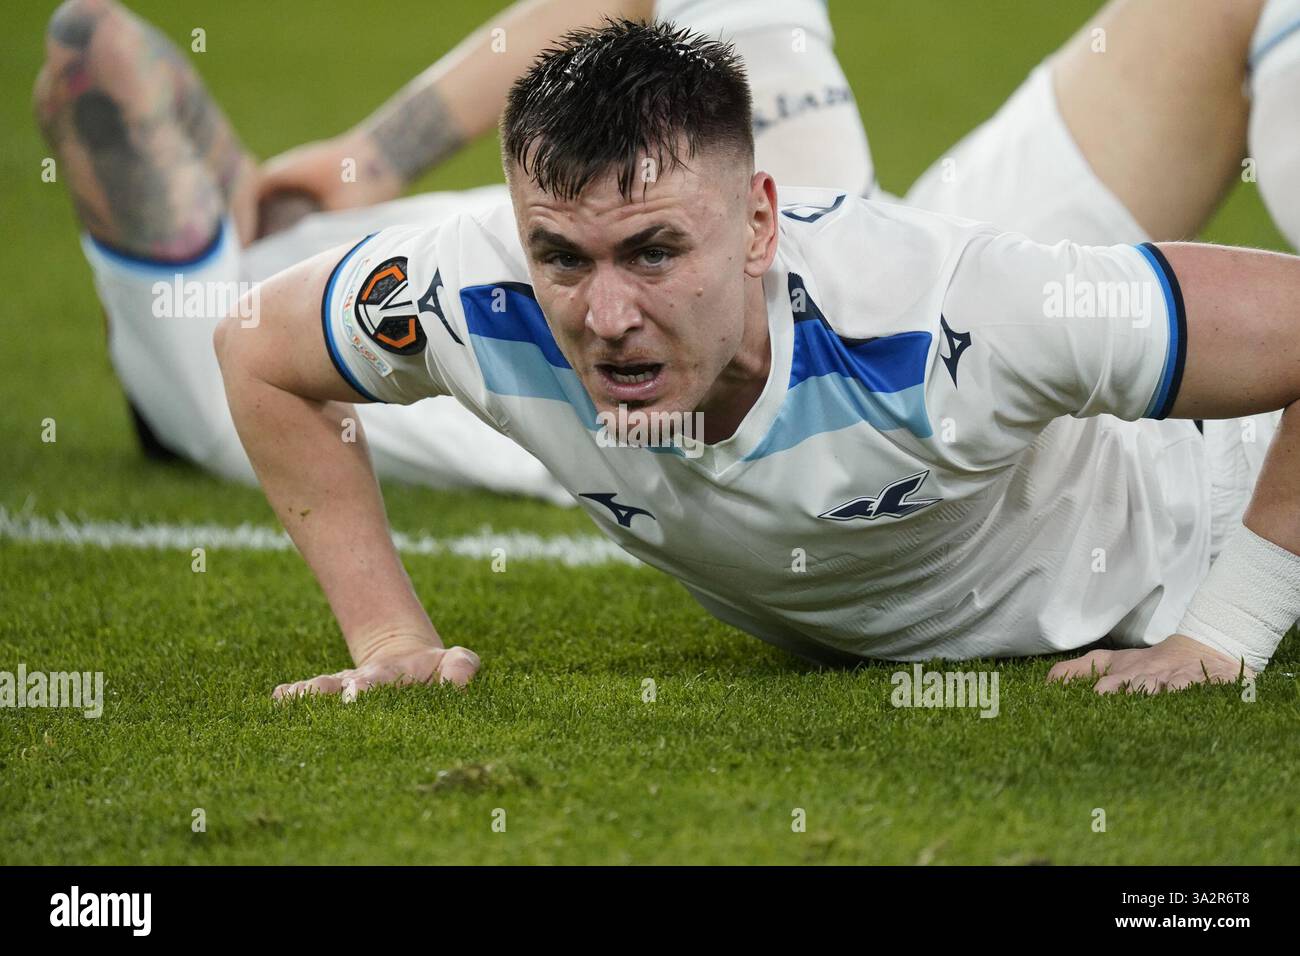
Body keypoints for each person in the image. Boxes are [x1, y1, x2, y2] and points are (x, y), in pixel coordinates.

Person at [211, 18, 1300, 701]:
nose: (606, 315)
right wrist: (391, 636)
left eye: (654, 252)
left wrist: (1226, 630)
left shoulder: (955, 323)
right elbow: (258, 347)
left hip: (1204, 507)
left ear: (759, 224)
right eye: (561, 256)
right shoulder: (472, 291)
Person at [34, 0, 866, 503]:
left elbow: (94, 48)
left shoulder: (223, 386)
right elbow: (98, 51)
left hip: (805, 259)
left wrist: (379, 156)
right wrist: (376, 155)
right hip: (812, 221)